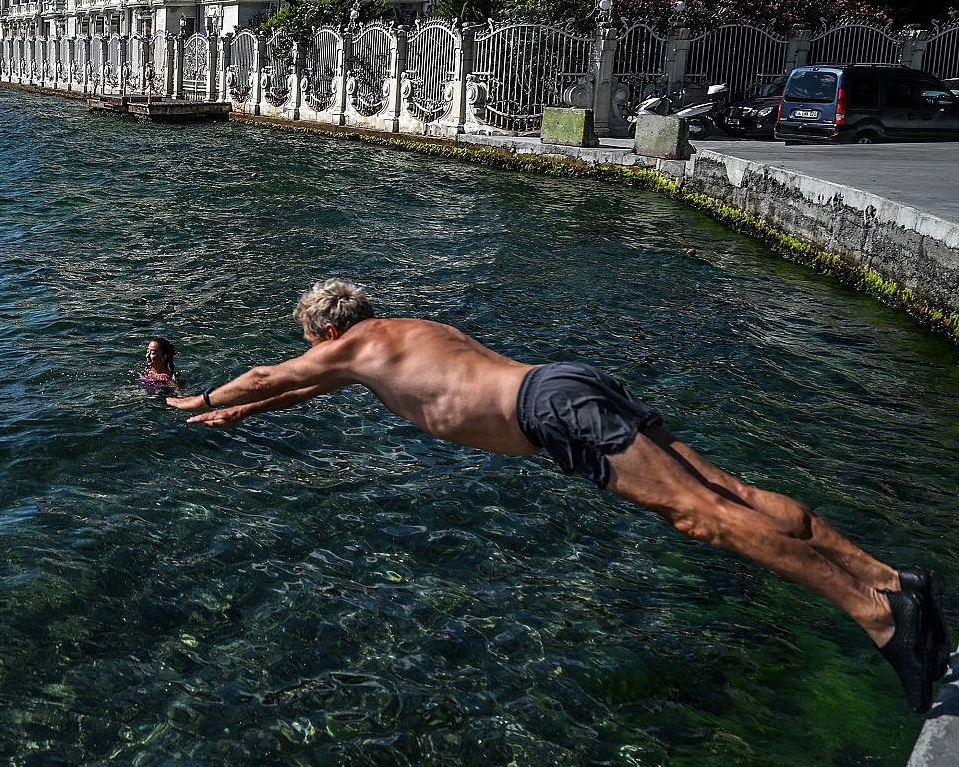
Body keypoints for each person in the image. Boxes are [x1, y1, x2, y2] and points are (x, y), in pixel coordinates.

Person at [168, 279, 953, 713]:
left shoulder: (356, 347)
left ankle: (883, 618)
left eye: (312, 346)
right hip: (562, 383)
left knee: (702, 517)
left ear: (324, 333)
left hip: (545, 414)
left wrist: (201, 398)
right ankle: (892, 577)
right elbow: (301, 390)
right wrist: (248, 412)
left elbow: (279, 375)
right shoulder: (400, 337)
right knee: (727, 489)